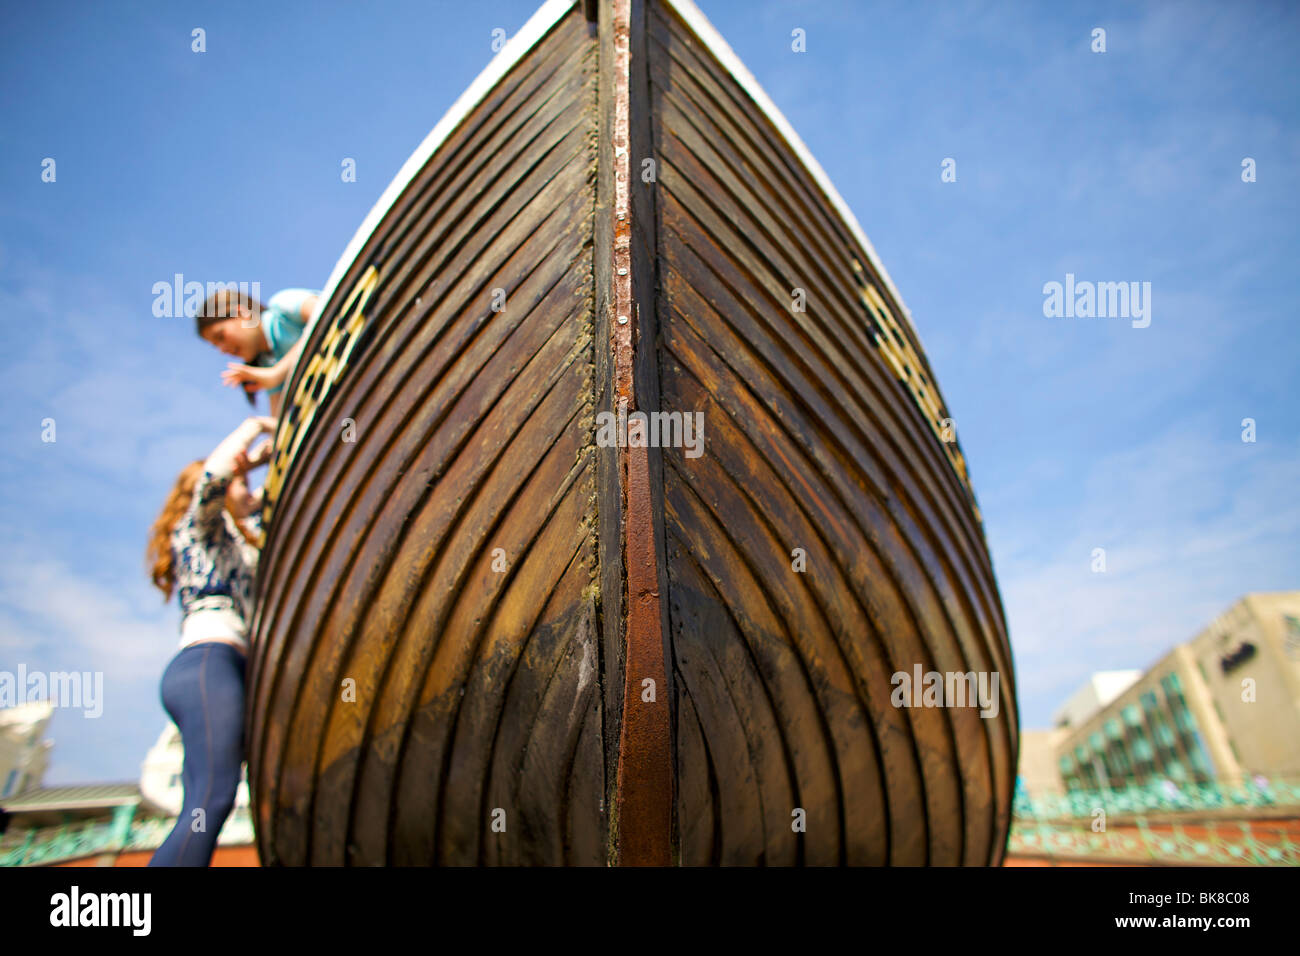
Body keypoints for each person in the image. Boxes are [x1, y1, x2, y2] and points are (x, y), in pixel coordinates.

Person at [144, 416, 275, 866]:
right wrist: (254, 426)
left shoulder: (236, 540)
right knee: (213, 799)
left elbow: (261, 504)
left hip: (216, 670)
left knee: (203, 803)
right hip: (208, 665)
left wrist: (258, 462)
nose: (245, 486)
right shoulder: (199, 527)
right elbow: (216, 477)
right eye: (240, 481)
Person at [194, 287, 320, 416]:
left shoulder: (281, 307)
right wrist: (259, 426)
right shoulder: (268, 362)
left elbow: (324, 315)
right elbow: (278, 422)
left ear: (242, 313)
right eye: (216, 346)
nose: (222, 350)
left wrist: (276, 373)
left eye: (221, 337)